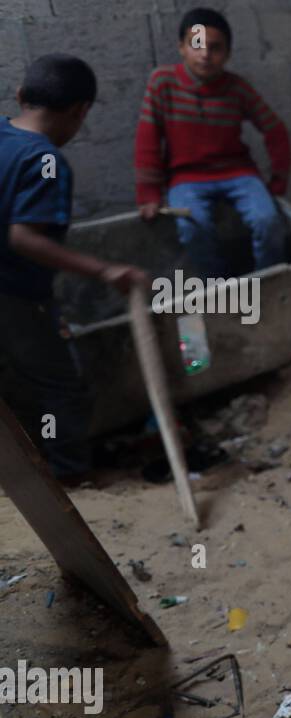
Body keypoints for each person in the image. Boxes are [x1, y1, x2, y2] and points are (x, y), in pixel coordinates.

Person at [0, 54, 148, 483]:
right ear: (80, 111)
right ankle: (69, 478)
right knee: (62, 387)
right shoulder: (45, 162)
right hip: (16, 296)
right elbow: (24, 238)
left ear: (20, 95)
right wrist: (106, 271)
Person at [135, 7, 291, 276]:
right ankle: (217, 289)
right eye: (196, 45)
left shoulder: (237, 88)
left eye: (215, 47)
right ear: (182, 47)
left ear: (227, 53)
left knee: (268, 220)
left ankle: (269, 282)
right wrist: (149, 194)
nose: (205, 54)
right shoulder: (162, 83)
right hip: (186, 178)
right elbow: (147, 139)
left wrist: (278, 179)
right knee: (192, 227)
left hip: (238, 173)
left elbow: (275, 130)